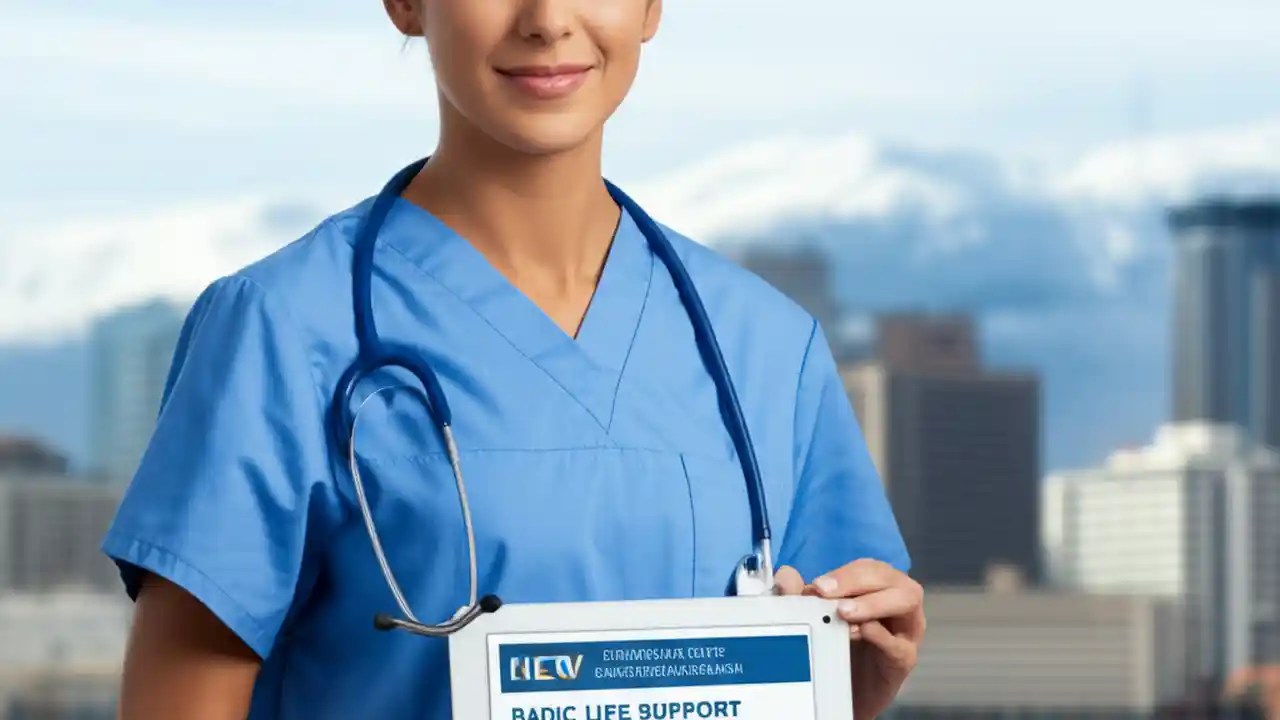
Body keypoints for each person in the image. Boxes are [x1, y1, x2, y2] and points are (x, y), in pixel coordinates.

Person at [102, 0, 926, 718]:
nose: (547, 18)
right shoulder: (280, 329)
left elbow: (797, 672)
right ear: (405, 2)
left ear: (651, 5)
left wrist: (840, 687)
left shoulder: (767, 347)